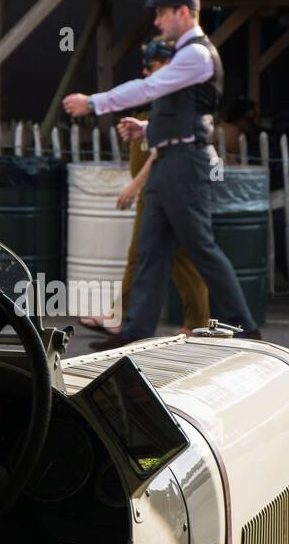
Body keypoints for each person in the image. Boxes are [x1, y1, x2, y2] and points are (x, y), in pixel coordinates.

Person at [64, 0, 261, 349]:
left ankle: (243, 324)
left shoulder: (196, 55)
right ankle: (135, 330)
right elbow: (184, 109)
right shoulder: (187, 55)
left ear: (183, 12)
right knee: (152, 250)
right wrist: (148, 128)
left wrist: (94, 102)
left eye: (161, 14)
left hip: (185, 164)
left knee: (200, 245)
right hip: (170, 158)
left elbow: (148, 88)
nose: (156, 22)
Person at [77, 38, 209, 337]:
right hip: (159, 190)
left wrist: (136, 184)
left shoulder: (175, 102)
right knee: (168, 256)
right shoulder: (161, 105)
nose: (148, 73)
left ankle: (195, 322)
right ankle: (189, 322)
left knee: (167, 256)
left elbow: (163, 150)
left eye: (152, 66)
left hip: (163, 189)